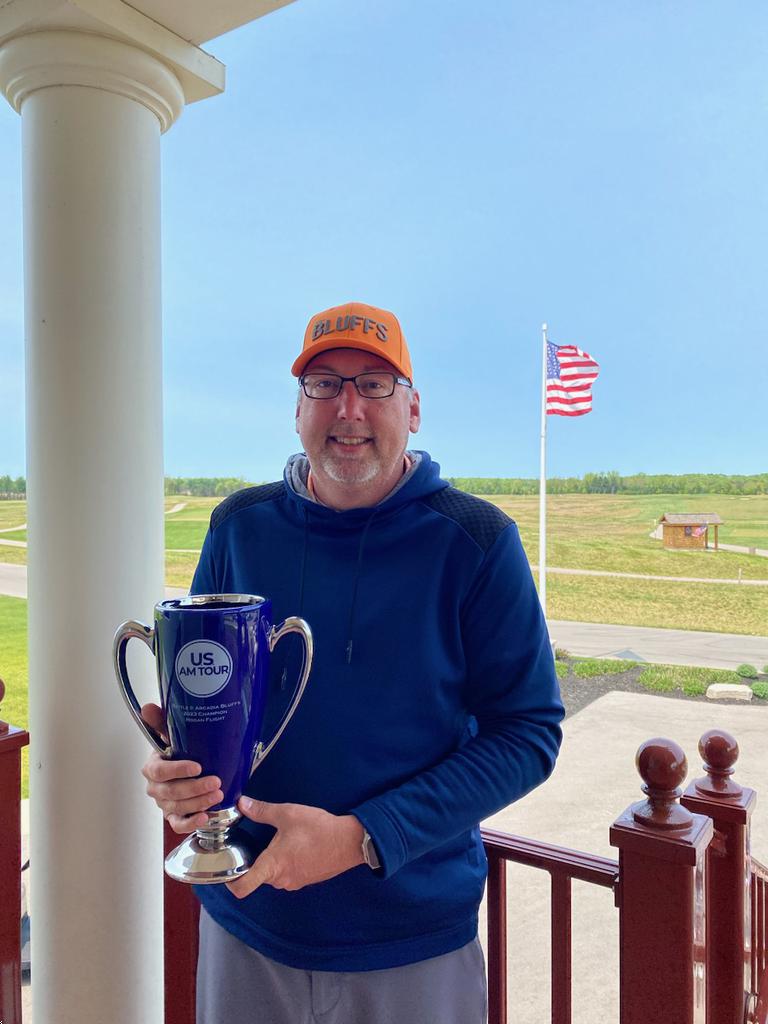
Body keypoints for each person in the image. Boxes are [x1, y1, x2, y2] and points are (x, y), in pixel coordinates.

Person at [142, 301, 564, 1024]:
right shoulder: (238, 526)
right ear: (296, 407)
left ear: (414, 407)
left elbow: (528, 734)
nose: (347, 408)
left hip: (411, 940)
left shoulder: (476, 542)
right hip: (248, 922)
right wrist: (181, 769)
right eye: (323, 383)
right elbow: (204, 692)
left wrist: (363, 838)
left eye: (374, 384)